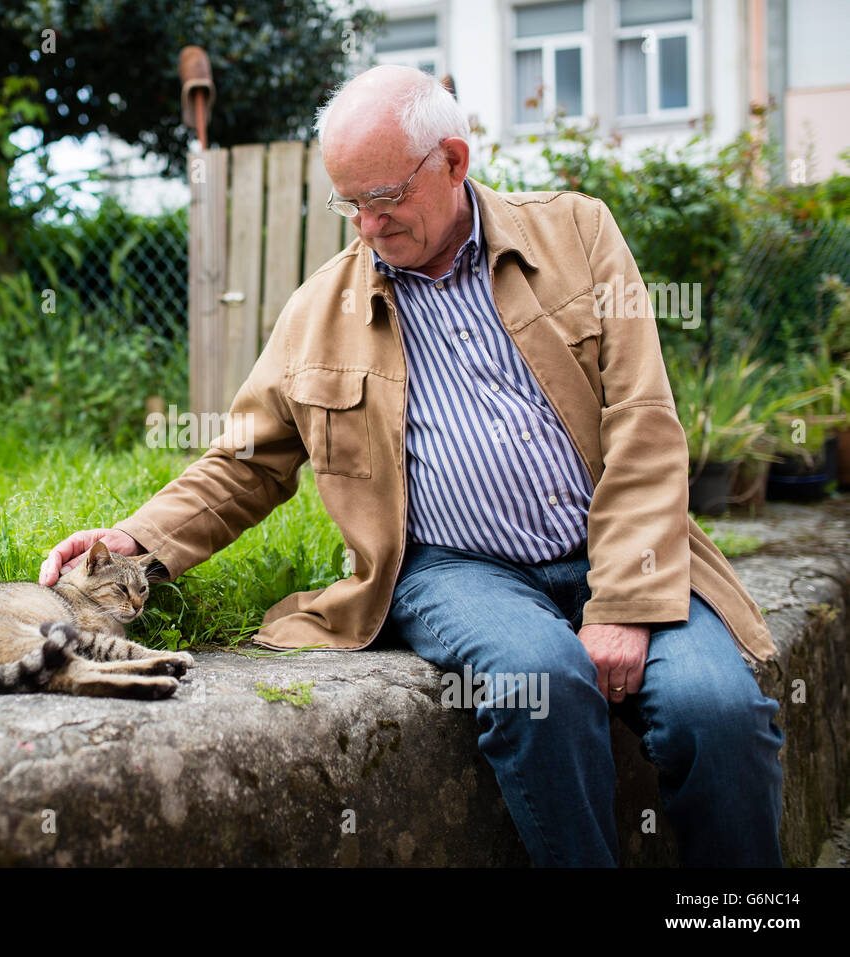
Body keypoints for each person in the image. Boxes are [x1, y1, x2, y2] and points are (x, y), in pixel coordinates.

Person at [39, 66, 784, 867]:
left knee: (718, 710)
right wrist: (130, 542)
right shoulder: (315, 314)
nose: (365, 224)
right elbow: (245, 463)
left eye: (384, 198)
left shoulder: (578, 234)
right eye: (348, 202)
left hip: (616, 543)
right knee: (540, 680)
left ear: (454, 162)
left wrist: (626, 601)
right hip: (454, 570)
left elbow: (644, 419)